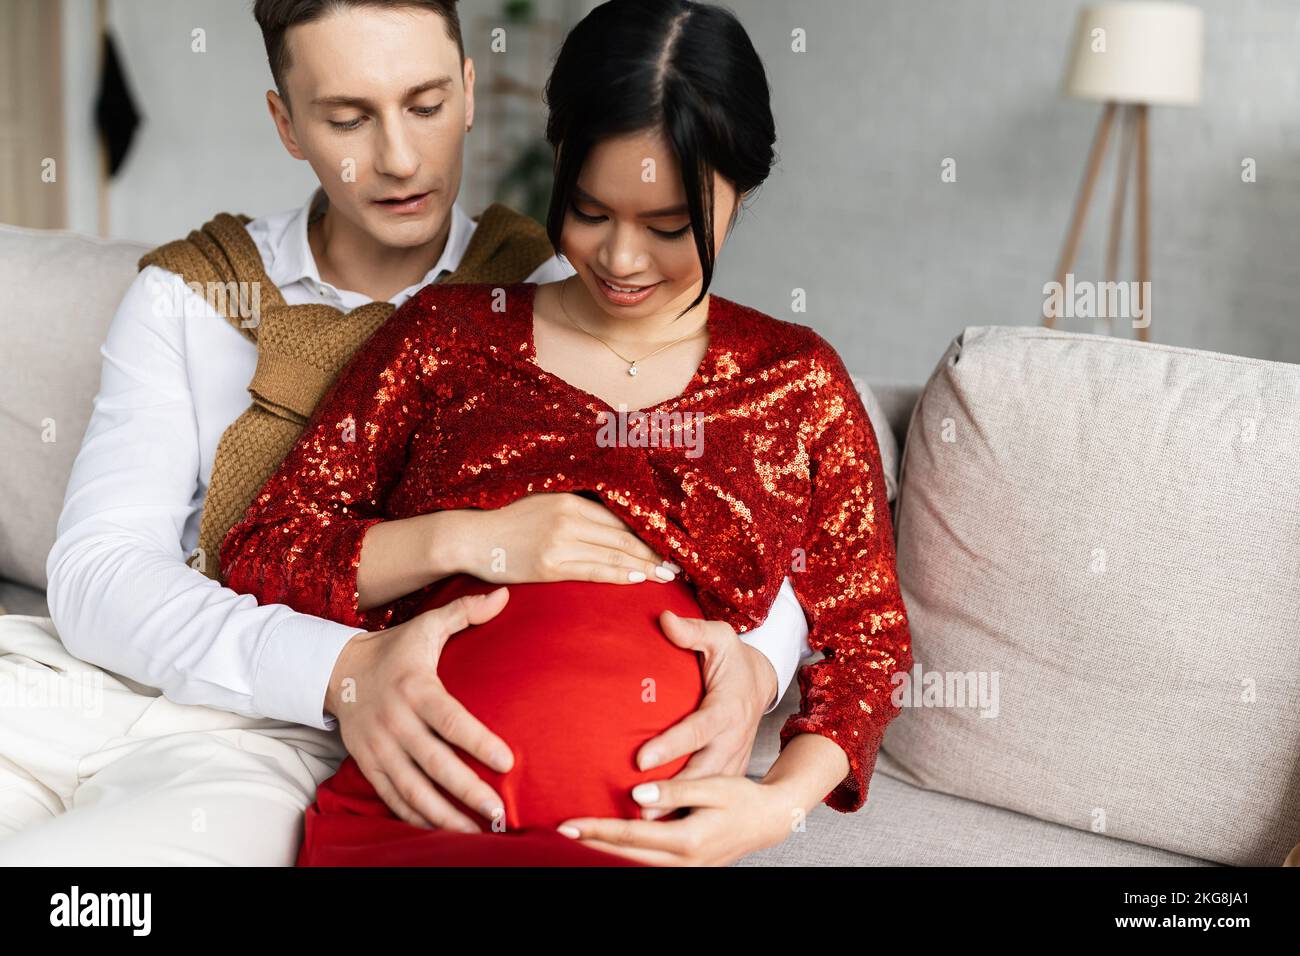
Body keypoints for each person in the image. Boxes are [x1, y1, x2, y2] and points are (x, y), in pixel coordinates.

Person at [0, 0, 808, 865]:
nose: (396, 158)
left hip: (256, 749)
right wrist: (346, 662)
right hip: (57, 688)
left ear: (468, 91)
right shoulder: (194, 291)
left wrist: (751, 671)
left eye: (424, 106)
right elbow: (95, 575)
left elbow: (759, 524)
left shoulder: (561, 291)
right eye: (348, 117)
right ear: (287, 123)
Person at [222, 0, 912, 867]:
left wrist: (775, 805)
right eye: (590, 212)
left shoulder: (796, 381)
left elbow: (867, 639)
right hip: (408, 823)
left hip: (635, 845)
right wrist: (468, 540)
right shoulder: (450, 337)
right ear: (558, 162)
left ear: (741, 188)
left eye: (668, 228)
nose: (622, 261)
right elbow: (267, 547)